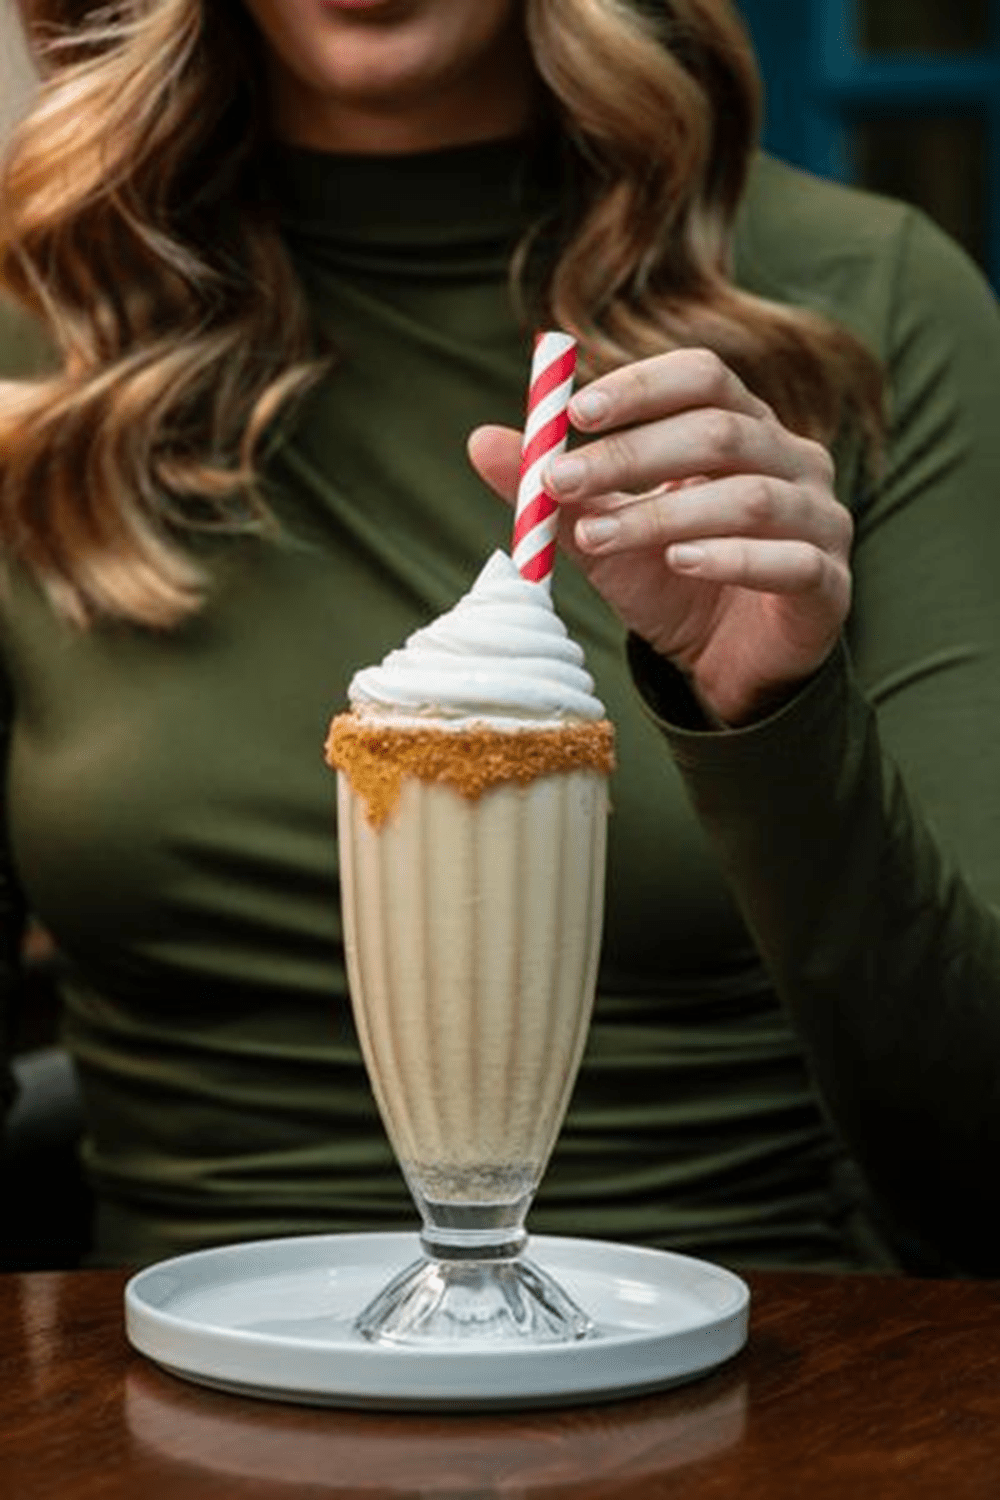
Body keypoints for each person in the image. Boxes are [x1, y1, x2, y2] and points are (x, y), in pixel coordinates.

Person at [1, 0, 999, 1277]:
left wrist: (774, 727)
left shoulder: (866, 301)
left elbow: (977, 1174)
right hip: (175, 1365)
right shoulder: (43, 331)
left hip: (760, 1353)